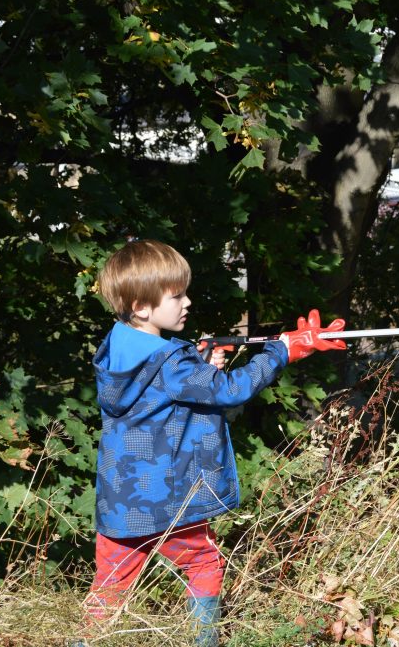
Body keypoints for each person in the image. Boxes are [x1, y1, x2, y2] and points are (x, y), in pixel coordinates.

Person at [79, 239, 346, 646]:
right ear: (140, 306)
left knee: (109, 587)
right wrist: (282, 350)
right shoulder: (171, 362)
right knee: (203, 563)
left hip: (120, 502)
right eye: (177, 295)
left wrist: (201, 365)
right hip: (169, 503)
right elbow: (231, 390)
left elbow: (164, 396)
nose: (187, 302)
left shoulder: (117, 347)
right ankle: (205, 641)